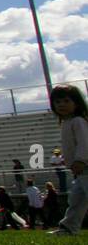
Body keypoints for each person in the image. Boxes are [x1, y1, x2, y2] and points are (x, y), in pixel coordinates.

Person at [50, 84, 88, 236]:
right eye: (58, 102)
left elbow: (84, 142)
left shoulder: (78, 121)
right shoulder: (67, 122)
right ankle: (68, 228)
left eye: (66, 101)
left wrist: (80, 160)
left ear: (76, 103)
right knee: (77, 200)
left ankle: (69, 227)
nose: (61, 105)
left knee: (79, 199)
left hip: (85, 166)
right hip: (80, 170)